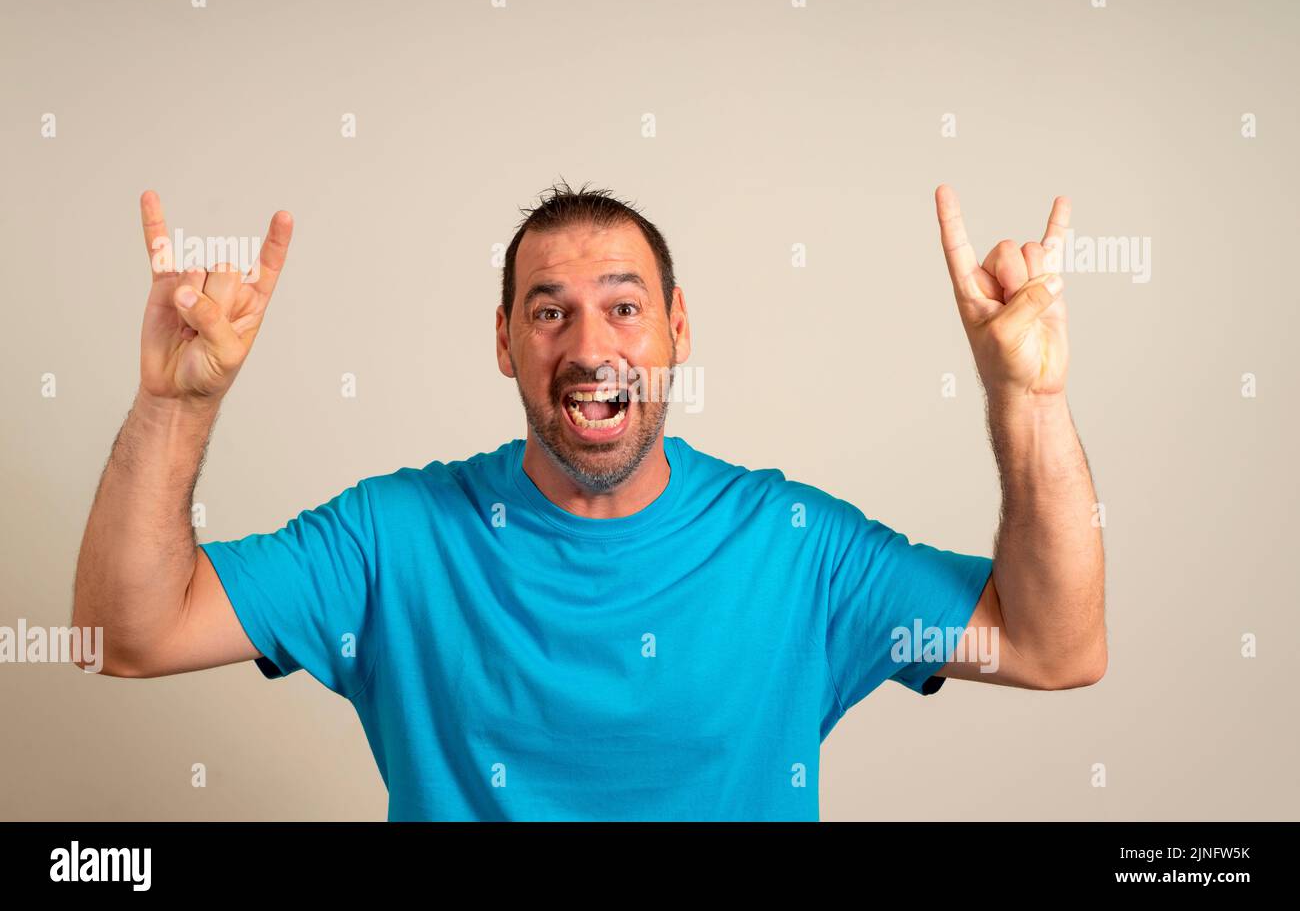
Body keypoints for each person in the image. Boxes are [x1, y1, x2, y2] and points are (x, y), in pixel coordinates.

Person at [72, 181, 1106, 820]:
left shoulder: (794, 548)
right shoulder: (393, 539)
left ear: (676, 329)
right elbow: (129, 631)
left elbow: (1055, 646)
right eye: (548, 311)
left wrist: (1028, 397)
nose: (588, 346)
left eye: (623, 305)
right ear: (504, 341)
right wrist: (176, 400)